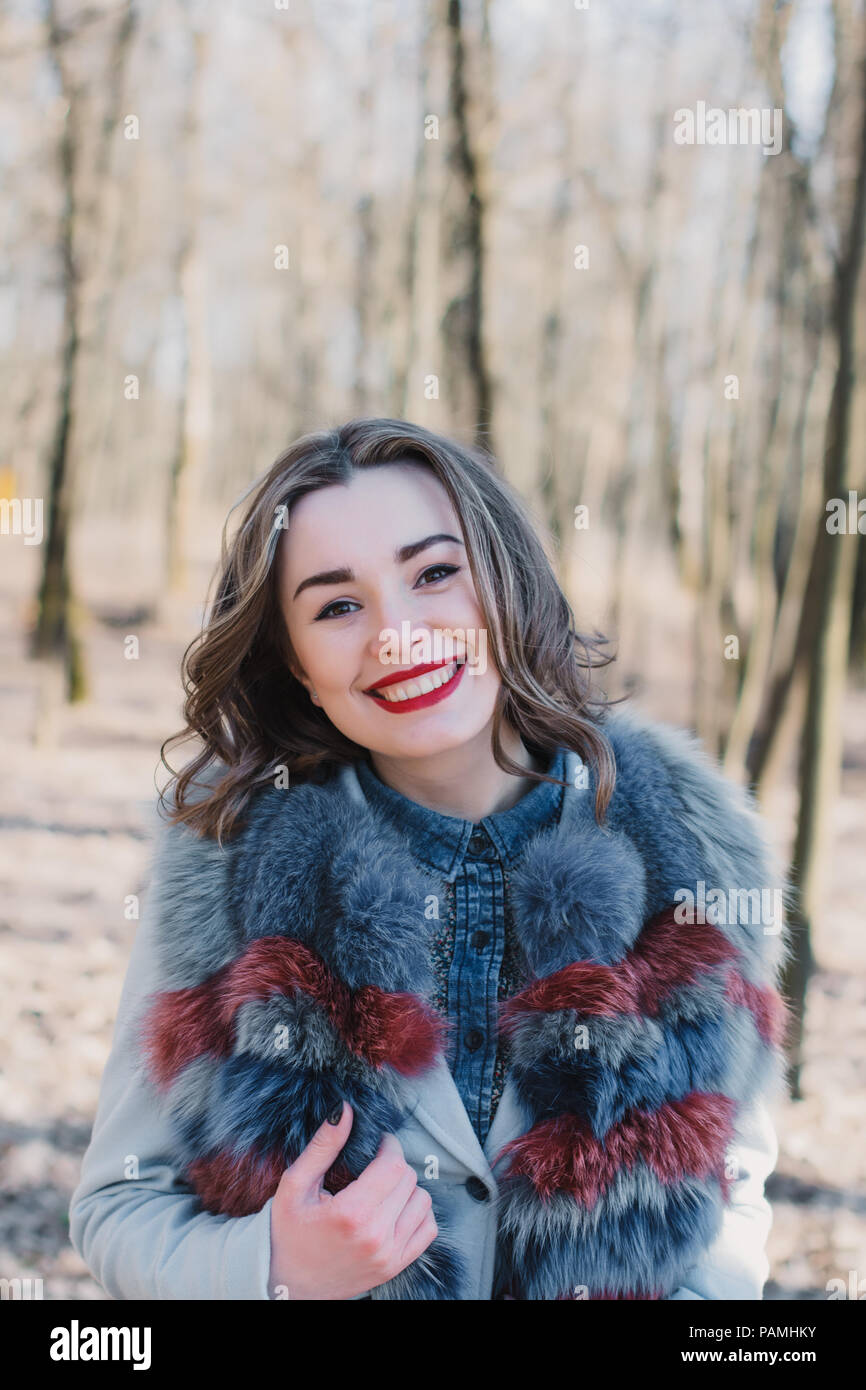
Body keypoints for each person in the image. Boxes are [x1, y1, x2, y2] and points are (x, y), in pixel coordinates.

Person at [69, 417, 790, 1300]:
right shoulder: (226, 868)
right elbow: (119, 1202)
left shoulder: (694, 849)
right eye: (338, 605)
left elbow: (735, 1193)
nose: (399, 633)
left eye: (435, 573)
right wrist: (274, 1271)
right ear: (294, 662)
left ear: (502, 581)